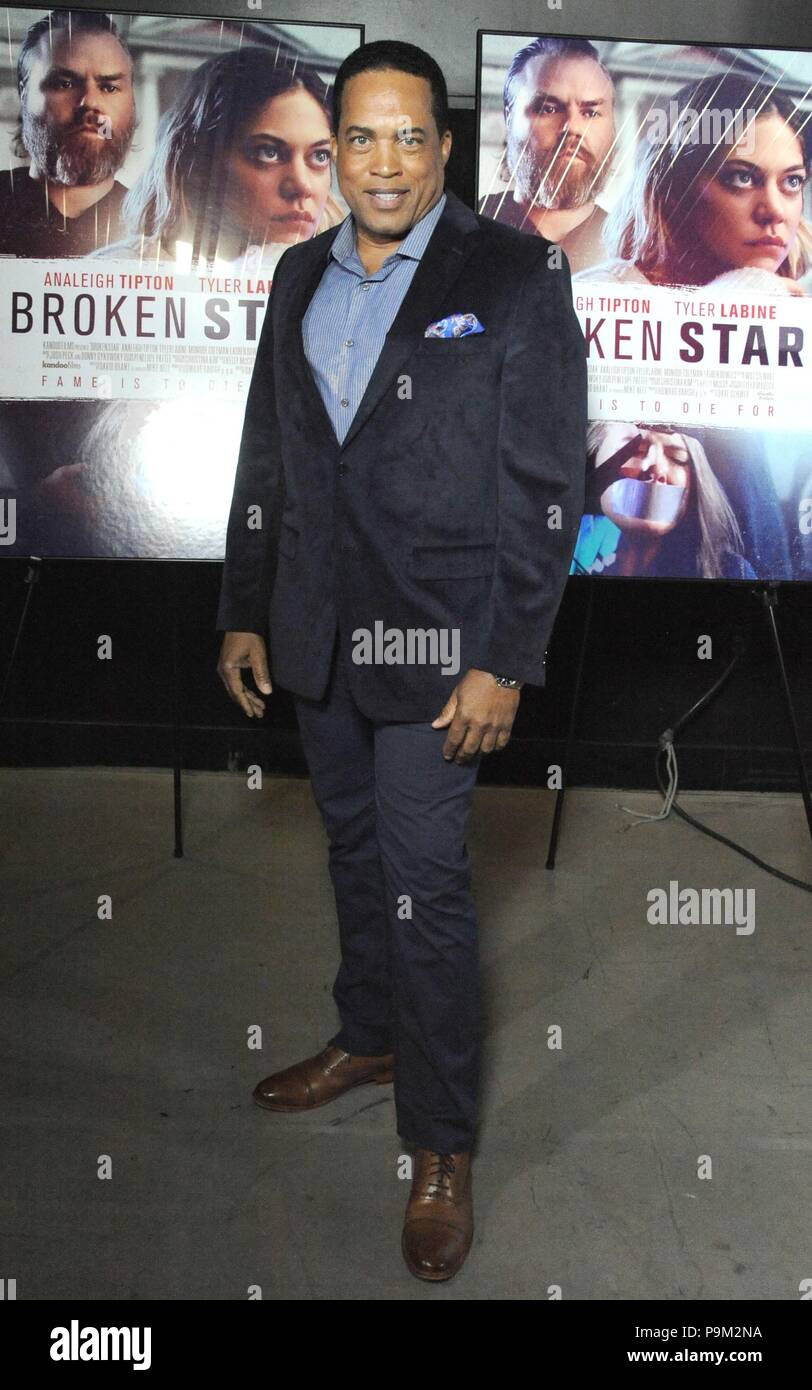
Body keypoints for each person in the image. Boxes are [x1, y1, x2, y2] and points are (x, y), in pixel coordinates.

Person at [215, 38, 587, 1283]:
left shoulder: (517, 272)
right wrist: (245, 605)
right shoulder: (294, 274)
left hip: (443, 643)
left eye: (406, 136)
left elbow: (543, 483)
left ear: (443, 145)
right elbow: (270, 456)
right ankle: (364, 1036)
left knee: (426, 884)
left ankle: (438, 1147)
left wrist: (506, 658)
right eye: (357, 138)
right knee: (353, 848)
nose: (382, 161)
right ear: (335, 149)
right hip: (316, 628)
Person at [94, 47, 344, 273]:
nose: (302, 186)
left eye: (319, 156)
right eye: (268, 153)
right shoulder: (113, 274)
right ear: (200, 164)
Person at [577, 74, 812, 294]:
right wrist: (743, 294)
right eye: (742, 178)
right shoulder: (598, 294)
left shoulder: (790, 303)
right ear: (675, 189)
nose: (775, 211)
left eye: (792, 181)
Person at [0, 8, 136, 257]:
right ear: (24, 93)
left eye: (109, 87)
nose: (89, 103)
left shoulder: (156, 226)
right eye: (64, 84)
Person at [479, 36, 615, 273]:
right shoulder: (466, 229)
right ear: (509, 118)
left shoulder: (636, 249)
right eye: (548, 109)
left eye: (591, 112)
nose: (572, 128)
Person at [572, 421, 755, 578]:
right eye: (634, 450)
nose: (655, 469)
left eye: (677, 457)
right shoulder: (568, 546)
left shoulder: (730, 572)